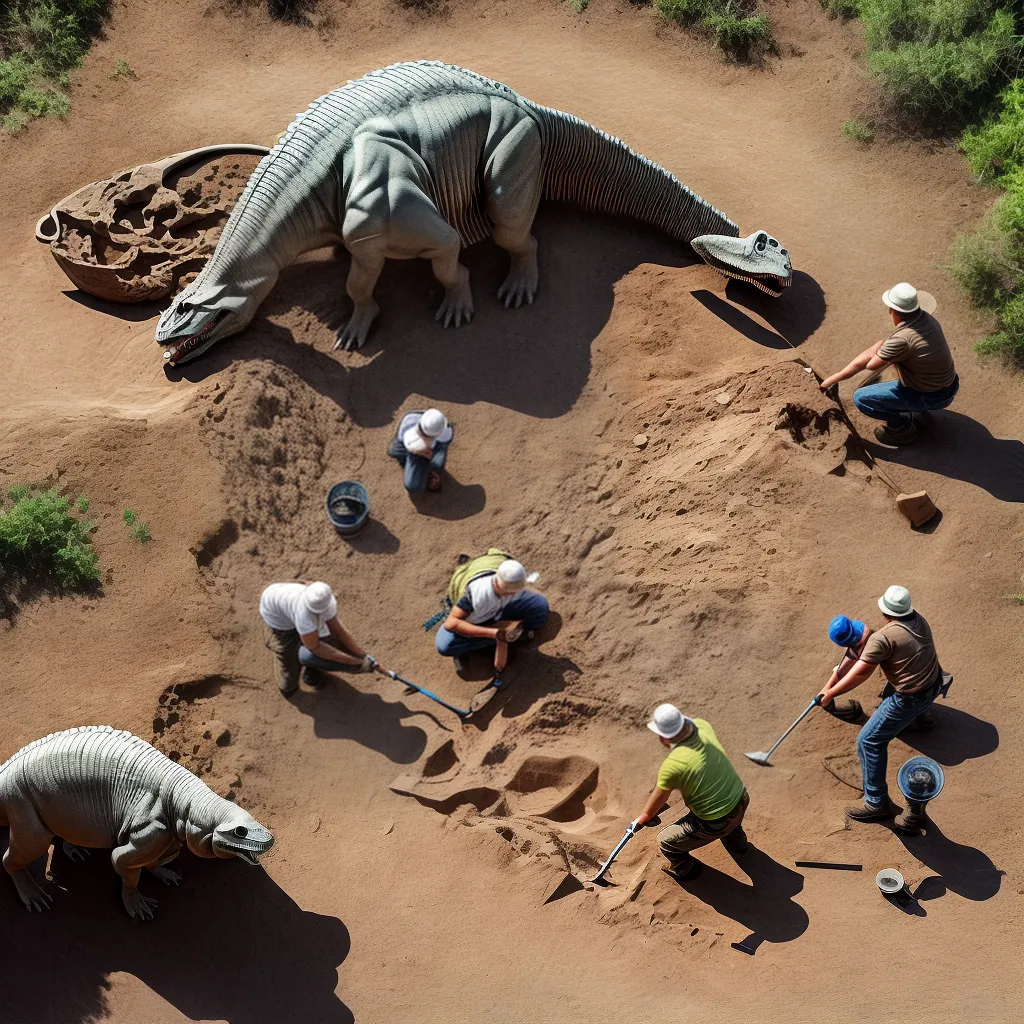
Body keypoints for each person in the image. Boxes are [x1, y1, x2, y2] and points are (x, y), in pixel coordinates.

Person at [818, 586, 945, 823]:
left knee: (868, 740)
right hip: (934, 681)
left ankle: (876, 803)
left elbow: (859, 673)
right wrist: (829, 686)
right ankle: (924, 719)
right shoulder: (918, 619)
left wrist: (830, 693)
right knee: (902, 681)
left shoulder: (882, 638)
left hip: (909, 698)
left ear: (885, 612)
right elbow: (854, 659)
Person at [819, 282, 958, 446]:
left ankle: (903, 429)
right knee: (893, 376)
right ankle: (911, 408)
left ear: (894, 311)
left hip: (932, 396)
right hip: (949, 385)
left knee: (861, 398)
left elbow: (871, 365)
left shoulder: (902, 339)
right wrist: (881, 348)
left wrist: (836, 377)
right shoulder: (927, 320)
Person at [630, 703, 749, 882]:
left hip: (716, 822)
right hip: (741, 797)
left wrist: (645, 817)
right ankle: (739, 844)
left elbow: (661, 796)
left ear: (663, 738)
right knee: (730, 816)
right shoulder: (703, 725)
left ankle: (687, 870)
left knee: (666, 842)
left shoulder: (674, 765)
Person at [259, 580, 377, 696]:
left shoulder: (324, 599)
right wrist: (356, 662)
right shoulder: (304, 616)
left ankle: (311, 673)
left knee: (329, 642)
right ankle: (288, 689)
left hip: (282, 601)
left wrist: (362, 654)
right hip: (279, 624)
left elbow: (338, 630)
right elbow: (315, 647)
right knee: (289, 661)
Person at [435, 559, 549, 675]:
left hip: (495, 611)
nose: (514, 594)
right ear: (500, 587)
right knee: (446, 646)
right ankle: (483, 645)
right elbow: (451, 623)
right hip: (475, 619)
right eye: (511, 592)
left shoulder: (511, 580)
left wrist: (506, 633)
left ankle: (515, 634)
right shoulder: (477, 594)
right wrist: (496, 634)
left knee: (539, 605)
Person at [388, 408, 453, 493]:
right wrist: (417, 451)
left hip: (430, 446)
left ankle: (424, 469)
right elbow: (403, 443)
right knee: (413, 485)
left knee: (437, 463)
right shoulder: (408, 423)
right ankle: (411, 463)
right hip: (408, 447)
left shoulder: (445, 434)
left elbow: (440, 446)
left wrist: (428, 454)